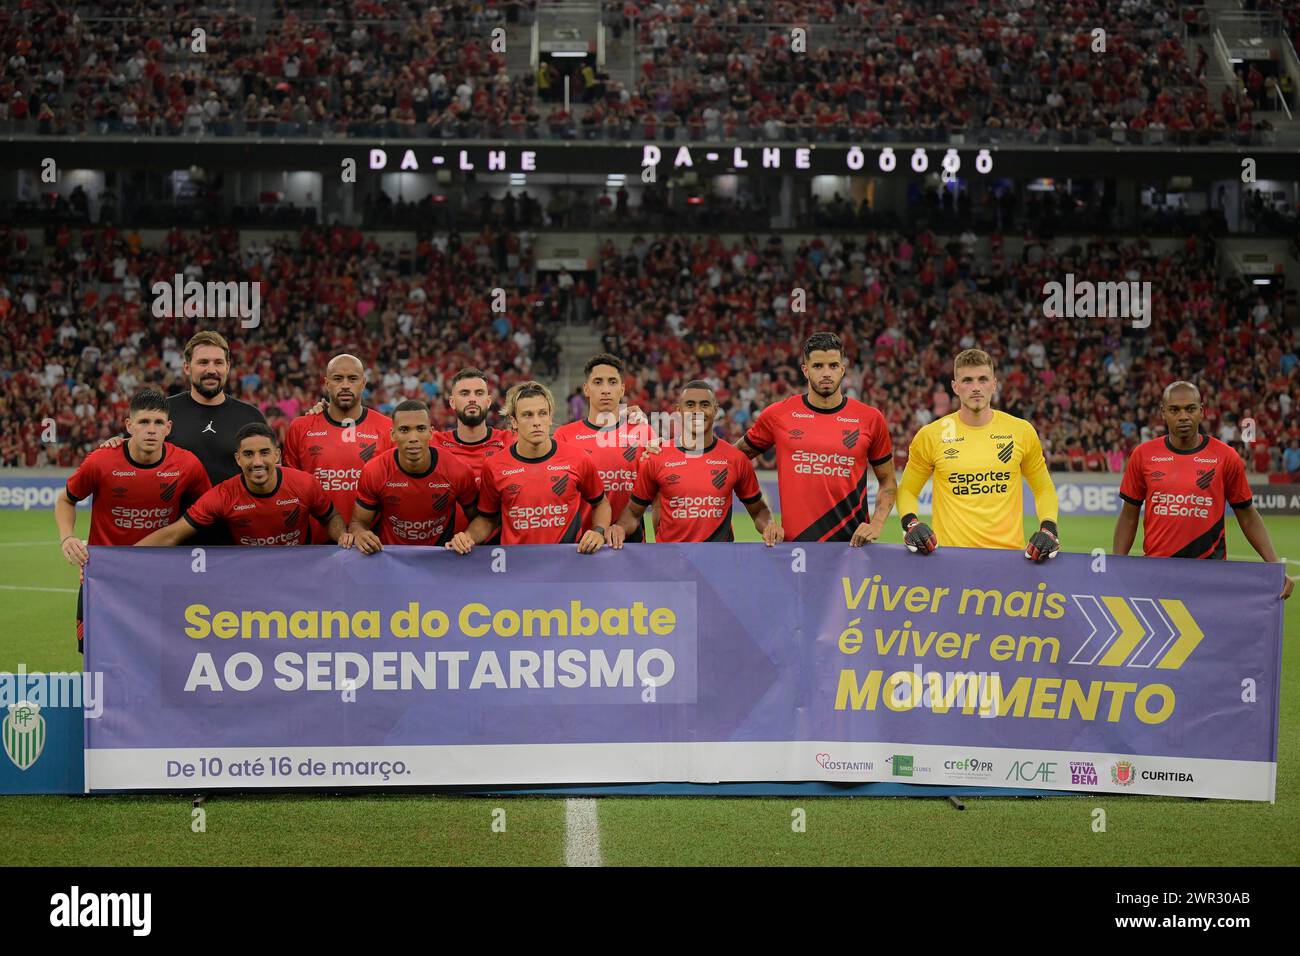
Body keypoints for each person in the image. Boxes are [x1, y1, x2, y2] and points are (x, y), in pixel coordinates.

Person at [56, 389, 211, 652]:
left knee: (157, 657)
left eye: (158, 423)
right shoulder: (101, 461)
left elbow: (206, 510)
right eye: (143, 422)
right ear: (129, 426)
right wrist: (67, 537)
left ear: (168, 427)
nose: (151, 430)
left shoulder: (187, 465)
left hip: (159, 580)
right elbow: (66, 499)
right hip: (103, 578)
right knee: (97, 658)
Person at [1113, 381, 1293, 599]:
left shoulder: (1226, 457)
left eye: (1190, 409)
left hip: (1211, 576)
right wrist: (1117, 566)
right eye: (1174, 410)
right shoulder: (1143, 455)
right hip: (1157, 574)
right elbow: (1129, 515)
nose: (1183, 416)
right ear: (1163, 413)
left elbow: (1247, 515)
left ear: (1202, 411)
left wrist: (1274, 566)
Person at [897, 349, 1061, 561]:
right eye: (967, 380)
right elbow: (908, 489)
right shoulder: (931, 435)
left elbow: (1043, 488)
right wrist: (911, 523)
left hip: (1008, 561)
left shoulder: (1021, 431)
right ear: (955, 387)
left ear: (994, 384)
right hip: (949, 561)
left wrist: (1049, 528)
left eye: (983, 379)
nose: (976, 387)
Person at [735, 331, 896, 544]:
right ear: (805, 370)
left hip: (853, 548)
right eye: (818, 366)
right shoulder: (778, 415)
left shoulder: (870, 419)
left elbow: (888, 481)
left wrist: (877, 524)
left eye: (833, 366)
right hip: (797, 552)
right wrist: (762, 515)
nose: (826, 373)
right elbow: (733, 460)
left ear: (843, 369)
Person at [609, 380, 782, 545]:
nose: (697, 411)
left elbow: (759, 510)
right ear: (679, 411)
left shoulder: (736, 459)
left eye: (704, 405)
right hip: (673, 565)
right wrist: (620, 528)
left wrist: (769, 526)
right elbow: (633, 512)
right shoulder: (657, 457)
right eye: (690, 405)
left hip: (717, 567)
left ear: (715, 410)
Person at [447, 381, 609, 553]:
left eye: (542, 414)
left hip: (565, 566)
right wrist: (467, 537)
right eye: (527, 415)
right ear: (514, 421)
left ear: (550, 418)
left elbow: (601, 503)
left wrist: (599, 532)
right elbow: (487, 520)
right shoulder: (494, 466)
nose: (537, 422)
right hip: (517, 567)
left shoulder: (578, 459)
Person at [136, 423, 351, 548]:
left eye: (264, 453)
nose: (257, 462)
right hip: (248, 578)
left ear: (277, 455)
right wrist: (121, 559)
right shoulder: (223, 495)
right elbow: (173, 534)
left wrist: (343, 536)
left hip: (298, 574)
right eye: (248, 454)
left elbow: (330, 516)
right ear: (238, 459)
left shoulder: (304, 484)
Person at [282, 353, 393, 542]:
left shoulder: (387, 428)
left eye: (352, 378)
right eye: (337, 378)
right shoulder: (300, 428)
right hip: (315, 544)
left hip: (372, 542)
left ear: (364, 383)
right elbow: (291, 491)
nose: (345, 385)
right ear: (326, 383)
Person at [350, 399, 478, 552]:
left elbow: (480, 519)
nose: (413, 438)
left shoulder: (457, 470)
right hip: (390, 560)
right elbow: (358, 522)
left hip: (441, 559)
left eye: (421, 429)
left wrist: (468, 536)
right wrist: (360, 533)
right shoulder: (375, 471)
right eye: (404, 430)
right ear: (393, 434)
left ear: (431, 432)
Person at [554, 353, 656, 542]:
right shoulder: (564, 436)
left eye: (612, 382)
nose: (606, 389)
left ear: (623, 389)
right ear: (586, 389)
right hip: (580, 547)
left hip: (631, 545)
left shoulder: (644, 432)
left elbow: (655, 494)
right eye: (598, 382)